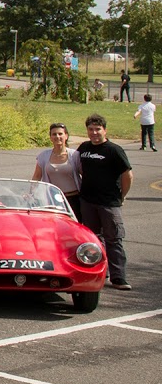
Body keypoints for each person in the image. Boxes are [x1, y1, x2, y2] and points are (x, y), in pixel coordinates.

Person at [77, 114, 133, 290]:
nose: (94, 133)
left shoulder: (114, 150)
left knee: (113, 238)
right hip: (87, 201)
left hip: (109, 202)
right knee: (93, 239)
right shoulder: (84, 148)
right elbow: (78, 169)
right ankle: (101, 271)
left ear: (105, 130)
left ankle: (118, 277)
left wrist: (122, 196)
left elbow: (127, 175)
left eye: (97, 129)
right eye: (91, 129)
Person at [31, 122, 82, 218]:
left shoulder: (75, 155)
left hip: (74, 199)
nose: (57, 136)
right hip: (53, 200)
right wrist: (31, 193)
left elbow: (85, 175)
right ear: (50, 137)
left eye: (60, 134)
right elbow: (36, 177)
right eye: (54, 134)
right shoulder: (43, 156)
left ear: (66, 136)